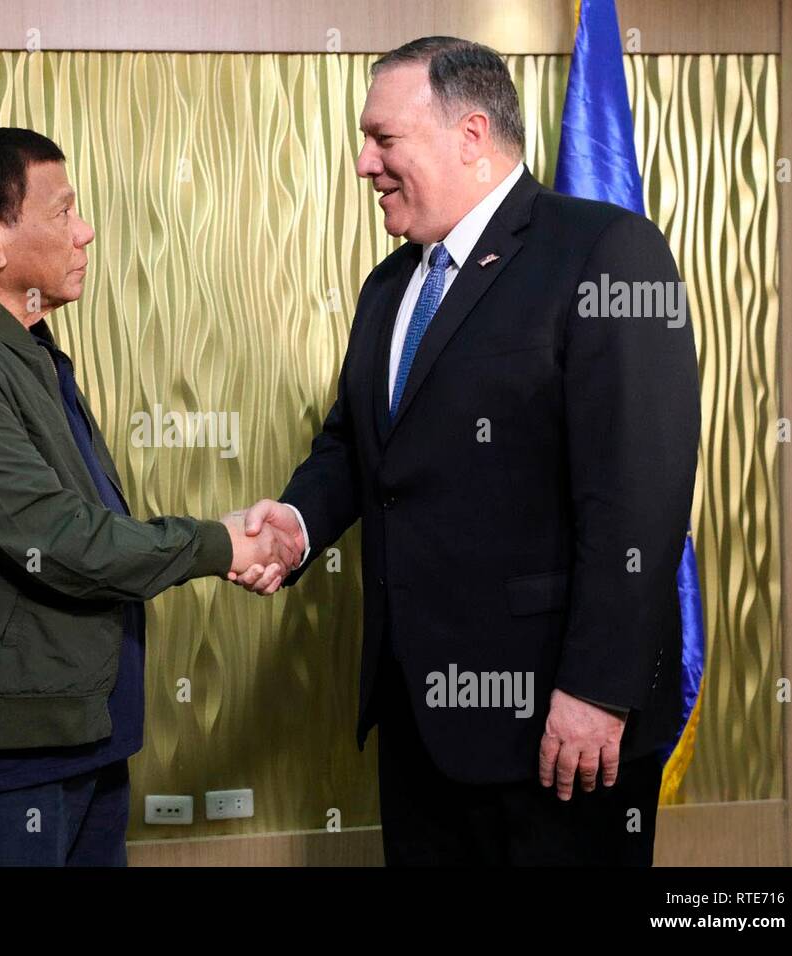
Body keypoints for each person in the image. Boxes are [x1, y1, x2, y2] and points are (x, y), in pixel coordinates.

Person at [233, 36, 700, 865]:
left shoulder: (606, 252)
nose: (362, 164)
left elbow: (640, 494)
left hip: (559, 727)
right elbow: (358, 443)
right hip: (418, 717)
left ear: (472, 135)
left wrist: (596, 688)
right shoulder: (390, 284)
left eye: (383, 139)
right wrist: (299, 524)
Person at [0, 127, 299, 866]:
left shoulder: (20, 344)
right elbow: (60, 539)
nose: (86, 230)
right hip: (3, 753)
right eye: (64, 211)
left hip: (72, 732)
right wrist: (222, 543)